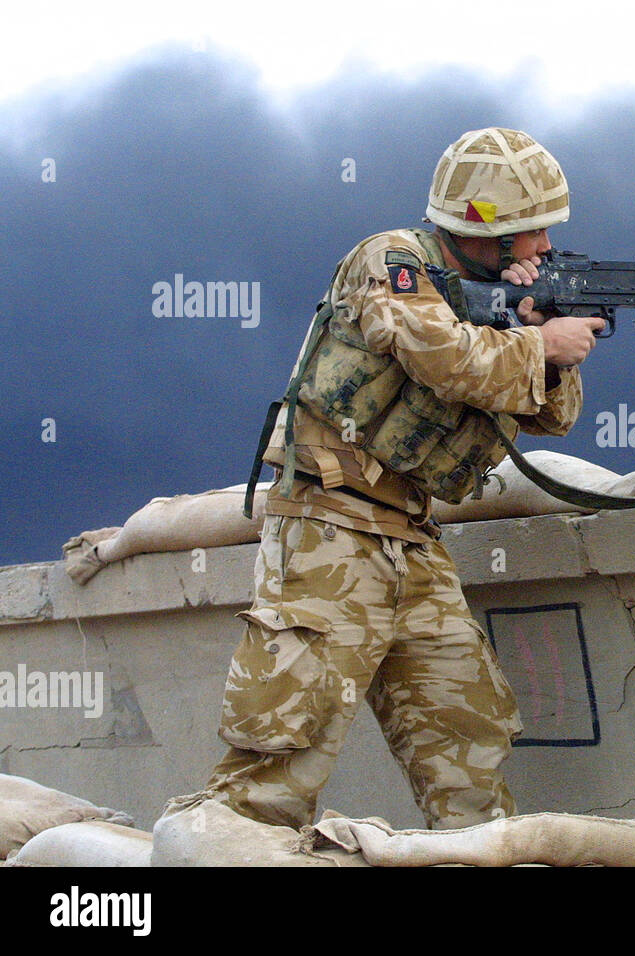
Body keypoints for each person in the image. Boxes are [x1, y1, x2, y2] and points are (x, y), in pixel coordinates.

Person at [201, 127, 606, 830]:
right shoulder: (390, 260)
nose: (546, 246)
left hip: (412, 542)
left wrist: (540, 332)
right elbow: (440, 356)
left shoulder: (494, 300)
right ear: (495, 228)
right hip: (329, 529)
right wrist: (534, 340)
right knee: (277, 762)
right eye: (535, 231)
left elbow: (552, 420)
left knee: (470, 755)